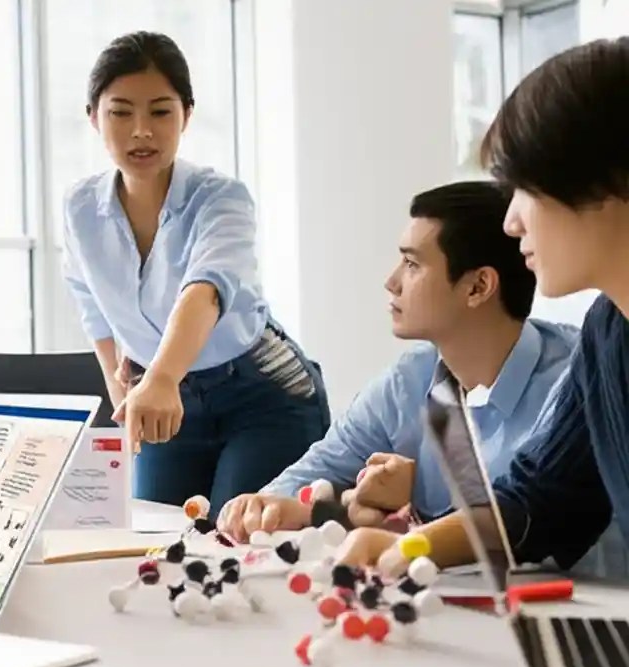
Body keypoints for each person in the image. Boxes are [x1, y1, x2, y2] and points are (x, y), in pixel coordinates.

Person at [336, 37, 629, 577]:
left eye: (524, 189)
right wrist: (408, 548)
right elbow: (538, 501)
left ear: (606, 183)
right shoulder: (607, 334)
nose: (512, 222)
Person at [216, 182, 578, 541]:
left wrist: (392, 517)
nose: (391, 282)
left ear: (478, 287)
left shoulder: (575, 383)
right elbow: (299, 483)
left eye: (412, 264)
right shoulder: (408, 383)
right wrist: (266, 506)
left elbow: (520, 523)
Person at [60, 31, 329, 514]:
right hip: (166, 400)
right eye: (121, 112)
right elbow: (90, 303)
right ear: (93, 117)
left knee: (236, 540)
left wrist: (160, 376)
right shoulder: (80, 206)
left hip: (262, 396)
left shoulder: (220, 197)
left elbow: (206, 289)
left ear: (186, 113)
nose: (141, 130)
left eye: (160, 111)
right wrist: (120, 386)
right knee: (159, 545)